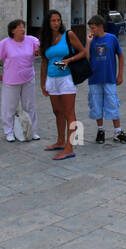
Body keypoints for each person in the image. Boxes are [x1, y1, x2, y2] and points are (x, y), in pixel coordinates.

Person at [0, 19, 40, 141]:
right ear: (13, 31)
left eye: (23, 27)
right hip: (11, 81)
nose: (23, 29)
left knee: (30, 106)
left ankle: (32, 131)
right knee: (9, 107)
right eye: (19, 27)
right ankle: (9, 131)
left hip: (28, 79)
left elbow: (39, 47)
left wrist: (38, 49)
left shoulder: (31, 40)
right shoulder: (5, 43)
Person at [39, 9, 79, 160]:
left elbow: (82, 52)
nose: (56, 23)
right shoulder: (45, 39)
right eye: (53, 21)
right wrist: (43, 83)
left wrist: (69, 60)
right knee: (57, 111)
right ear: (48, 23)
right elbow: (44, 62)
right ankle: (60, 141)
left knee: (70, 112)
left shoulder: (68, 35)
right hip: (52, 79)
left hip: (67, 78)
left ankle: (70, 147)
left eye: (58, 20)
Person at [86, 19, 126, 144]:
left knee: (113, 103)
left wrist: (120, 74)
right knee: (96, 104)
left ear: (100, 26)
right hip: (94, 78)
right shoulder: (91, 40)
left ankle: (118, 131)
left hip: (109, 77)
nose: (92, 31)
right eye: (90, 28)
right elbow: (86, 58)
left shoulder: (112, 38)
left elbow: (120, 55)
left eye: (93, 28)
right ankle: (100, 130)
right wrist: (88, 43)